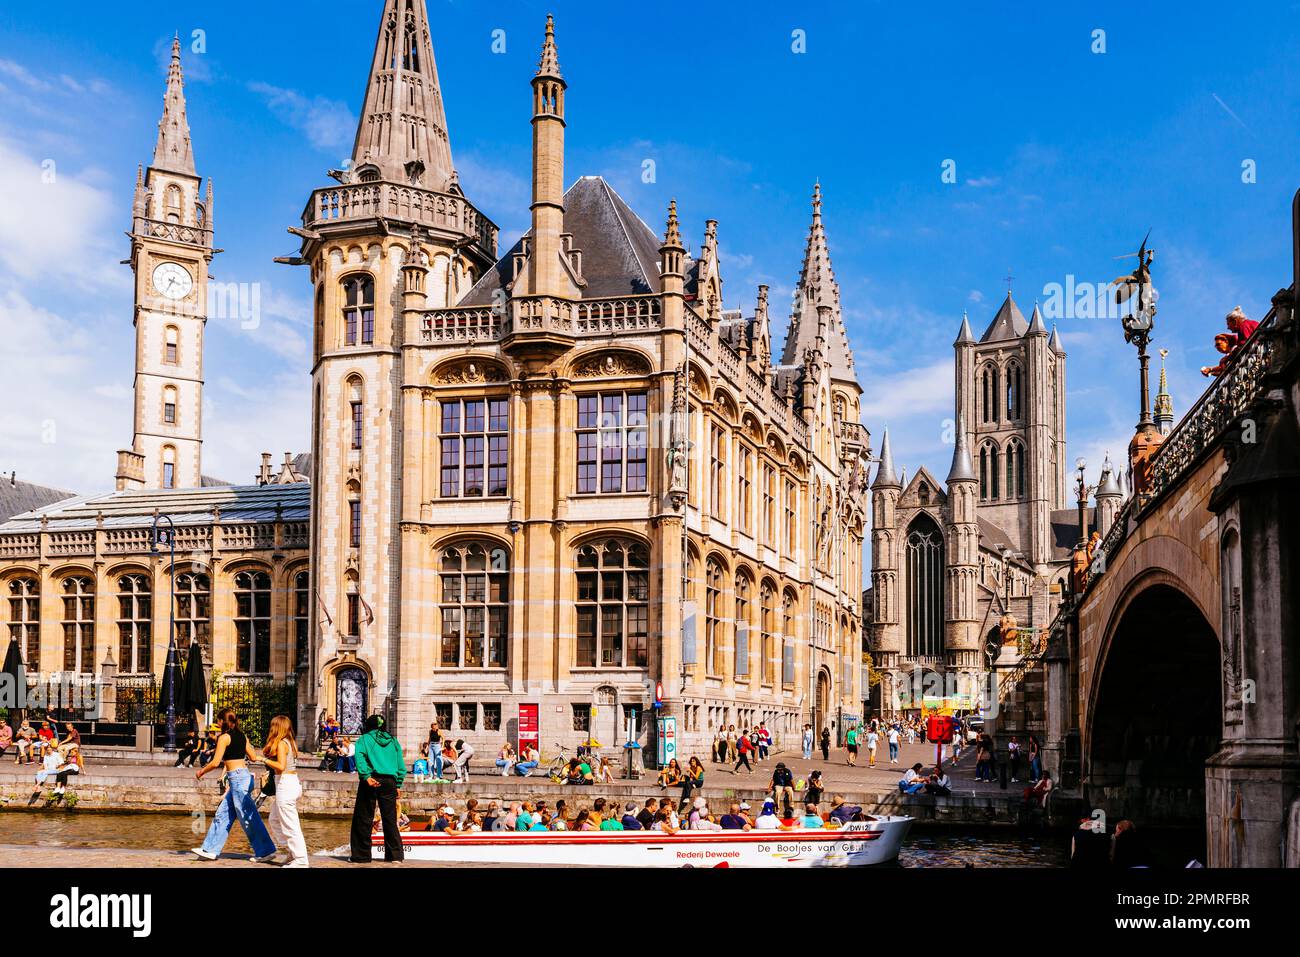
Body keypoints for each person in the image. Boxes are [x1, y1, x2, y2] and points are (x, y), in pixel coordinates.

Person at [192, 707, 277, 863]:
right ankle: (210, 850)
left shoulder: (223, 738)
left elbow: (216, 762)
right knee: (223, 814)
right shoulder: (242, 735)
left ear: (223, 721)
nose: (216, 722)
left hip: (238, 780)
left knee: (247, 817)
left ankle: (266, 851)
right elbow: (251, 756)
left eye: (218, 719)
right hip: (242, 777)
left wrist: (201, 772)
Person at [348, 713, 406, 864]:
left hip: (371, 779)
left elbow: (359, 758)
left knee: (364, 818)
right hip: (390, 782)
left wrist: (366, 776)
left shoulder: (364, 739)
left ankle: (361, 856)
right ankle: (395, 856)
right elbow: (401, 765)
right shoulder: (394, 741)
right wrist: (398, 784)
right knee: (390, 819)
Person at [261, 713, 308, 868]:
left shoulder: (282, 743)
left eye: (273, 725)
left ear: (277, 727)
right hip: (289, 783)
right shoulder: (288, 742)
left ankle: (301, 860)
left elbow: (280, 767)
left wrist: (263, 760)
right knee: (274, 819)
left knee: (290, 825)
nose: (271, 728)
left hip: (286, 785)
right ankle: (292, 852)